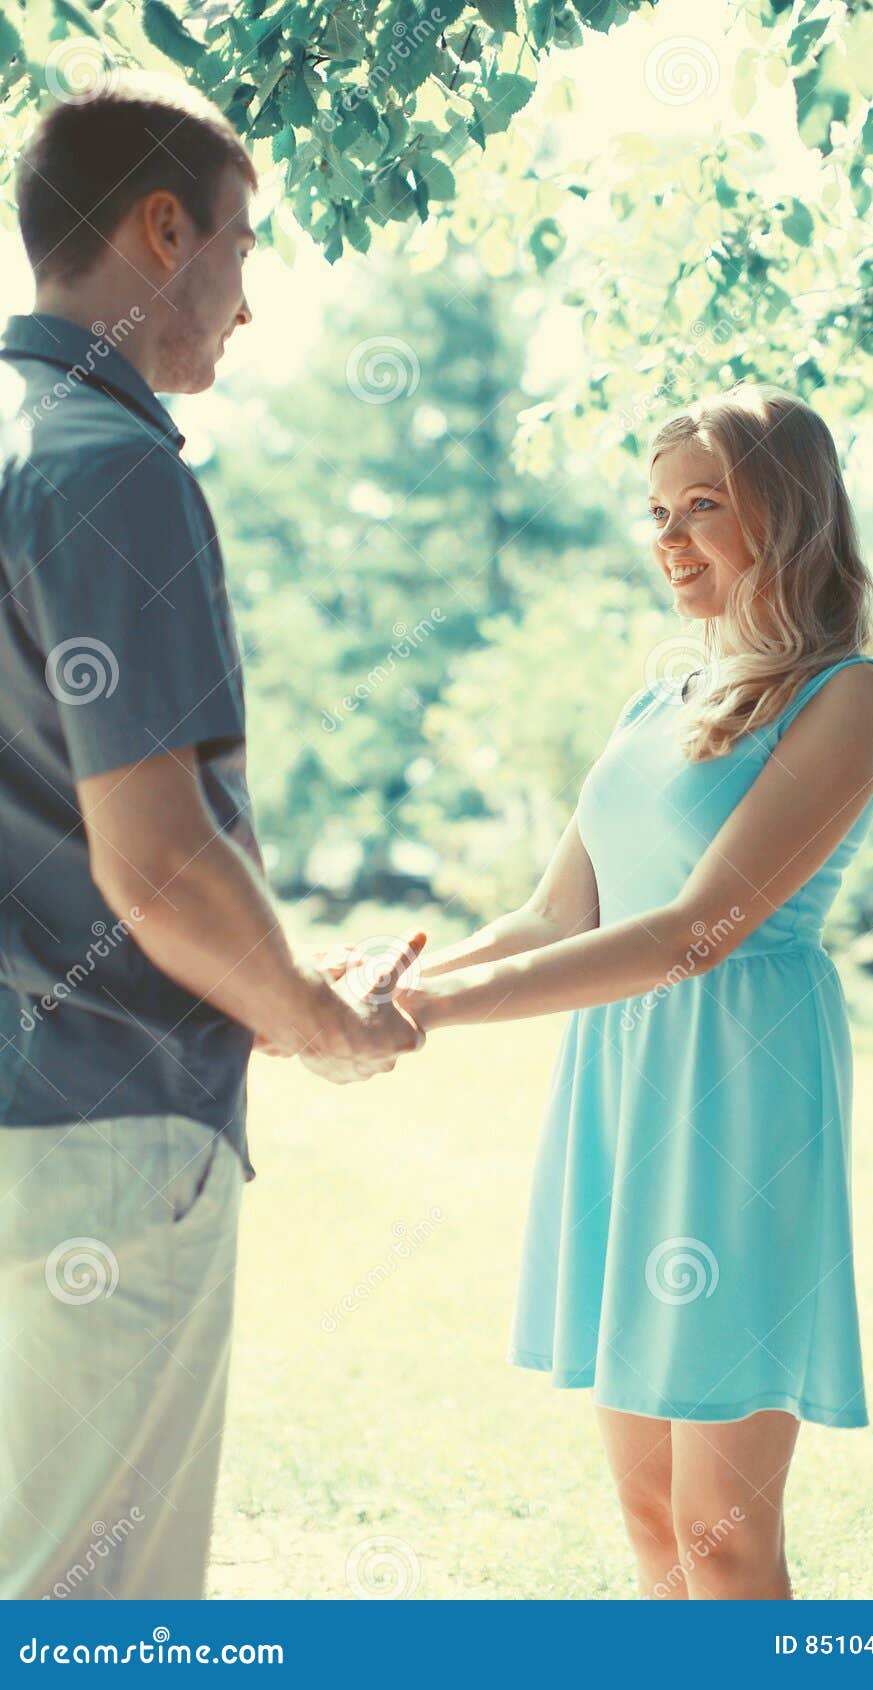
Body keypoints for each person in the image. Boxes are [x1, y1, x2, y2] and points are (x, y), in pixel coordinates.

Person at [0, 78, 424, 1601]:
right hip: (100, 1129)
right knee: (87, 1610)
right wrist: (321, 1021)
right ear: (161, 229)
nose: (246, 304)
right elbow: (160, 863)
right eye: (243, 247)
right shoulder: (109, 465)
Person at [387, 385, 873, 1600]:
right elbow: (552, 914)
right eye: (656, 511)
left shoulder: (848, 696)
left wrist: (446, 1014)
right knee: (647, 1510)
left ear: (789, 512)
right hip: (619, 1093)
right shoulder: (649, 703)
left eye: (703, 507)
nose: (668, 538)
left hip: (740, 1103)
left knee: (722, 1529)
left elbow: (689, 934)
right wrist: (392, 982)